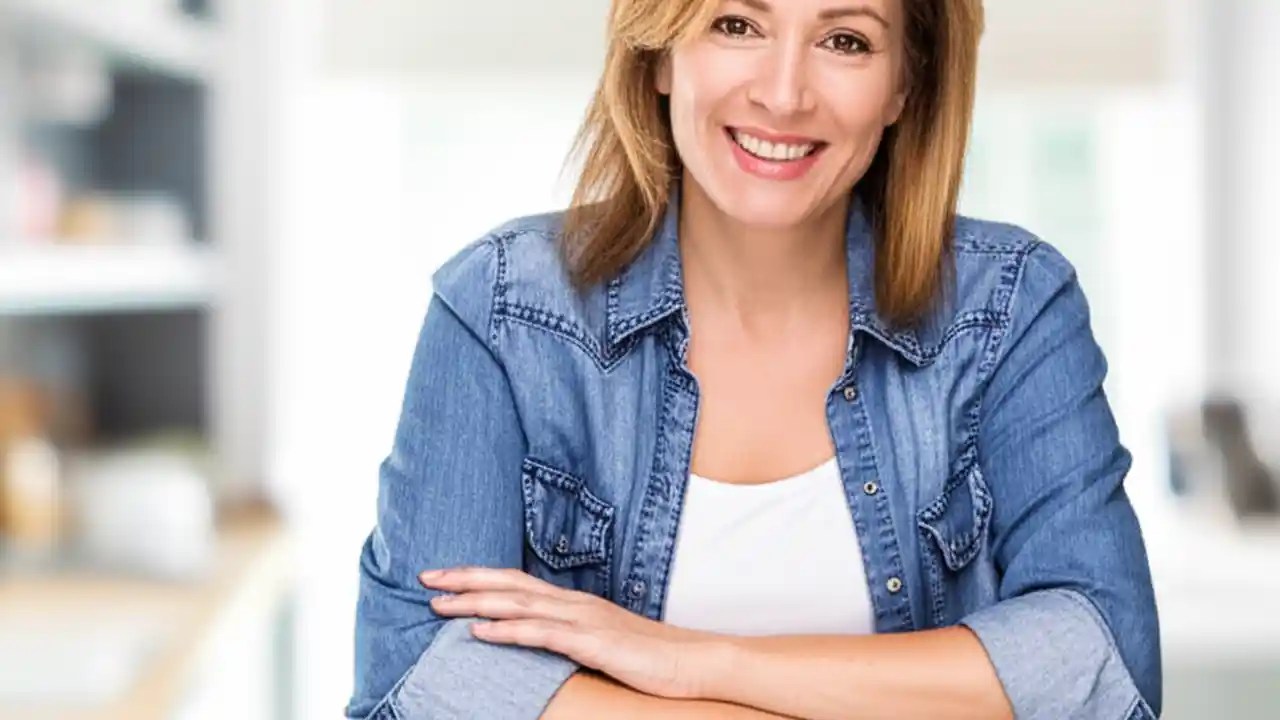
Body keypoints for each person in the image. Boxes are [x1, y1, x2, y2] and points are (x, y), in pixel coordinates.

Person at [345, 0, 1162, 717]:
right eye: (736, 24)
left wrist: (691, 661)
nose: (782, 93)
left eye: (845, 41)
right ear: (661, 52)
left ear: (905, 87)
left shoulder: (1011, 310)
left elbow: (1098, 654)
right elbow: (420, 679)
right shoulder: (502, 309)